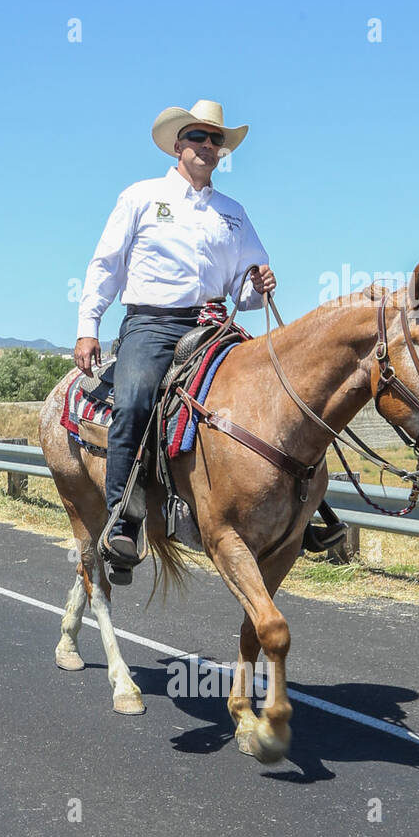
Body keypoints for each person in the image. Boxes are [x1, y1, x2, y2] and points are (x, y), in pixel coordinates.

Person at [75, 100, 275, 580]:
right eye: (199, 138)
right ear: (179, 145)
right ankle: (123, 521)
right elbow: (106, 266)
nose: (209, 146)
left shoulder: (233, 213)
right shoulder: (140, 197)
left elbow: (245, 291)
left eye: (216, 140)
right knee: (136, 398)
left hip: (214, 324)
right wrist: (88, 326)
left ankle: (300, 510)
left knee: (270, 392)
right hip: (152, 323)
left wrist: (259, 283)